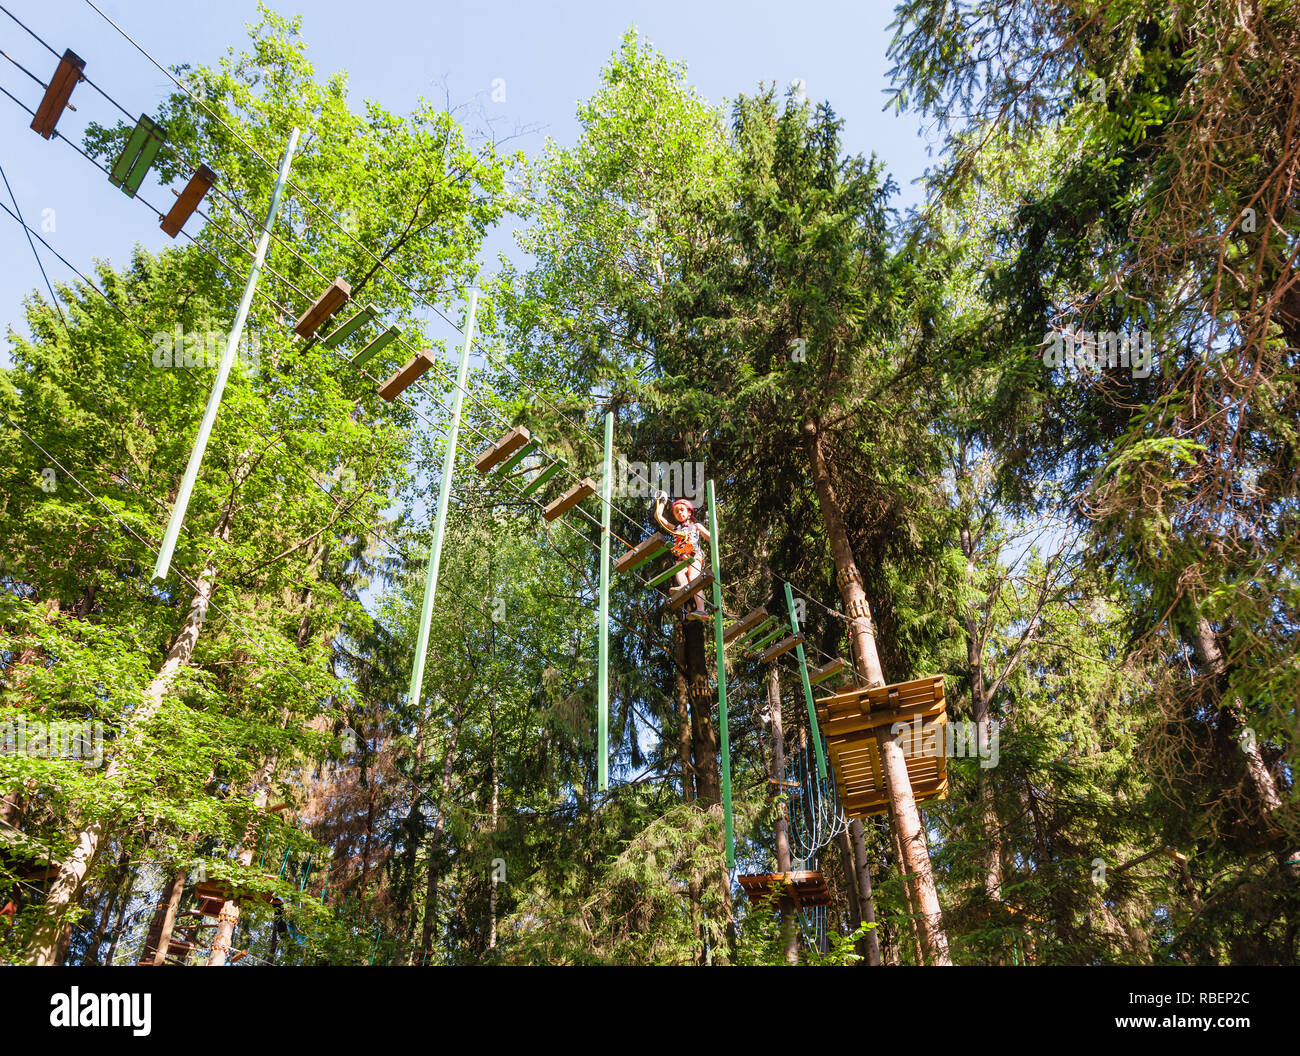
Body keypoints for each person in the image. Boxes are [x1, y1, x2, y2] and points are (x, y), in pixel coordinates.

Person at [653, 492, 710, 619]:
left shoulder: (696, 526)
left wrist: (713, 523)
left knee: (694, 577)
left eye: (682, 510)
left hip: (694, 554)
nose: (680, 514)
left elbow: (711, 538)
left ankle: (701, 609)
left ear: (689, 512)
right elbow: (658, 517)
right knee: (678, 570)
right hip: (681, 555)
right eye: (676, 512)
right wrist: (662, 501)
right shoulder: (675, 529)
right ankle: (684, 586)